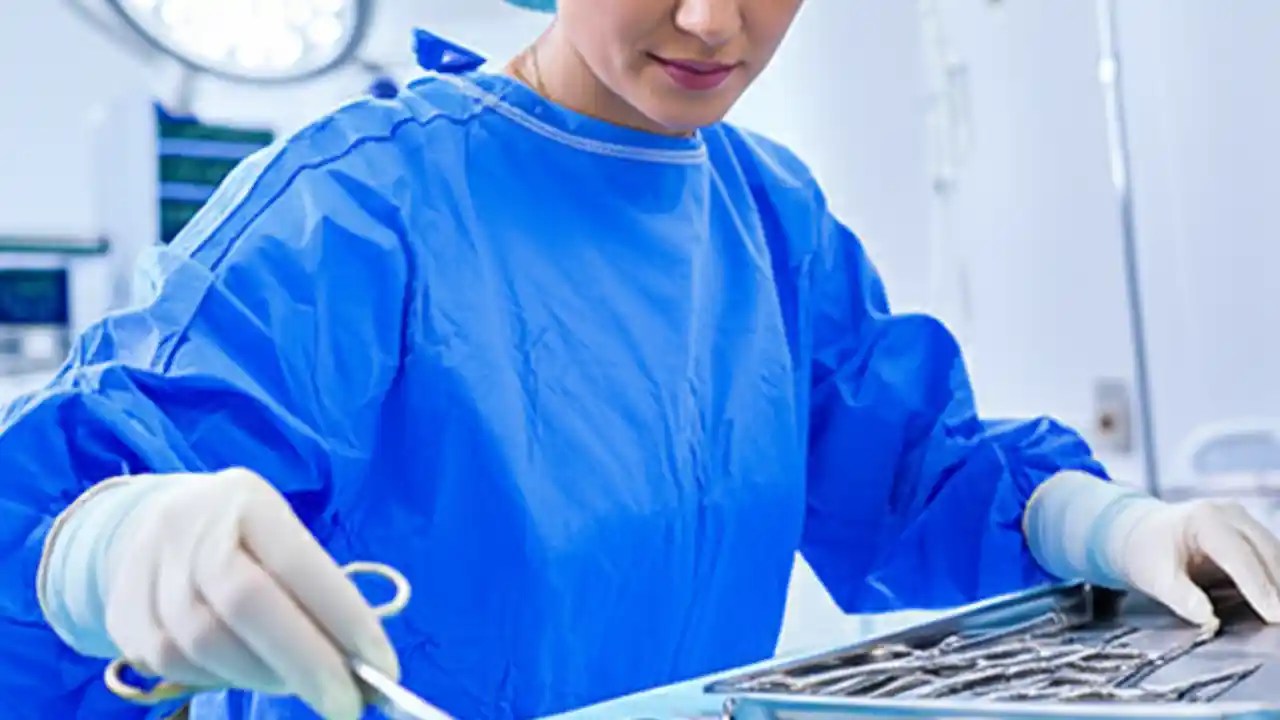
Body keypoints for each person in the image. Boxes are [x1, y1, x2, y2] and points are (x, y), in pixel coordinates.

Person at [5, 1, 1280, 718]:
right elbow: (71, 503)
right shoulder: (354, 205)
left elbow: (908, 474)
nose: (713, 20)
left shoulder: (768, 214)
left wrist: (1111, 524)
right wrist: (101, 548)